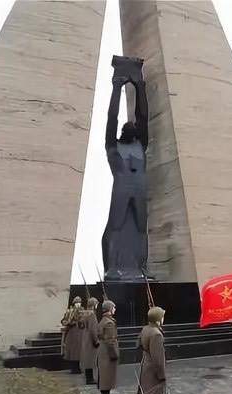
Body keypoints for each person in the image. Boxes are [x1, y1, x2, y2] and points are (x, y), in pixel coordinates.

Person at [102, 56, 151, 281]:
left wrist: (139, 84)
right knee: (116, 224)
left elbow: (143, 116)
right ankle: (112, 267)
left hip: (139, 187)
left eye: (133, 125)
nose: (130, 125)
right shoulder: (114, 145)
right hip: (122, 185)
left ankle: (142, 267)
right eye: (126, 125)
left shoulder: (141, 145)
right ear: (121, 131)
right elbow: (112, 117)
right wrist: (117, 85)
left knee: (141, 227)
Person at [135, 306, 167, 394]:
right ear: (158, 319)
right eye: (162, 316)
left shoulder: (146, 329)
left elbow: (138, 345)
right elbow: (158, 358)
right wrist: (162, 375)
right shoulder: (156, 334)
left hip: (146, 365)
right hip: (153, 370)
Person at [97, 300, 120, 394]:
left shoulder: (103, 320)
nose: (114, 309)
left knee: (104, 373)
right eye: (113, 308)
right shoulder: (109, 322)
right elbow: (110, 340)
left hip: (103, 350)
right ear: (110, 309)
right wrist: (114, 354)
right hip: (107, 351)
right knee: (107, 373)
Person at [78, 297, 100, 385]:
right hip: (90, 339)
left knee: (87, 359)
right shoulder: (92, 315)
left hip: (85, 336)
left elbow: (80, 325)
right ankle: (90, 379)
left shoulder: (84, 314)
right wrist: (96, 341)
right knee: (90, 359)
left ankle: (89, 378)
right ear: (94, 304)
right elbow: (93, 329)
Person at [62, 296, 82, 374]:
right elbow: (64, 321)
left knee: (78, 351)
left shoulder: (82, 311)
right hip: (71, 333)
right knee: (72, 351)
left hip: (79, 332)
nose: (78, 304)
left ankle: (77, 367)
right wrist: (68, 323)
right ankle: (74, 368)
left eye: (79, 303)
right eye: (76, 303)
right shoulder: (69, 312)